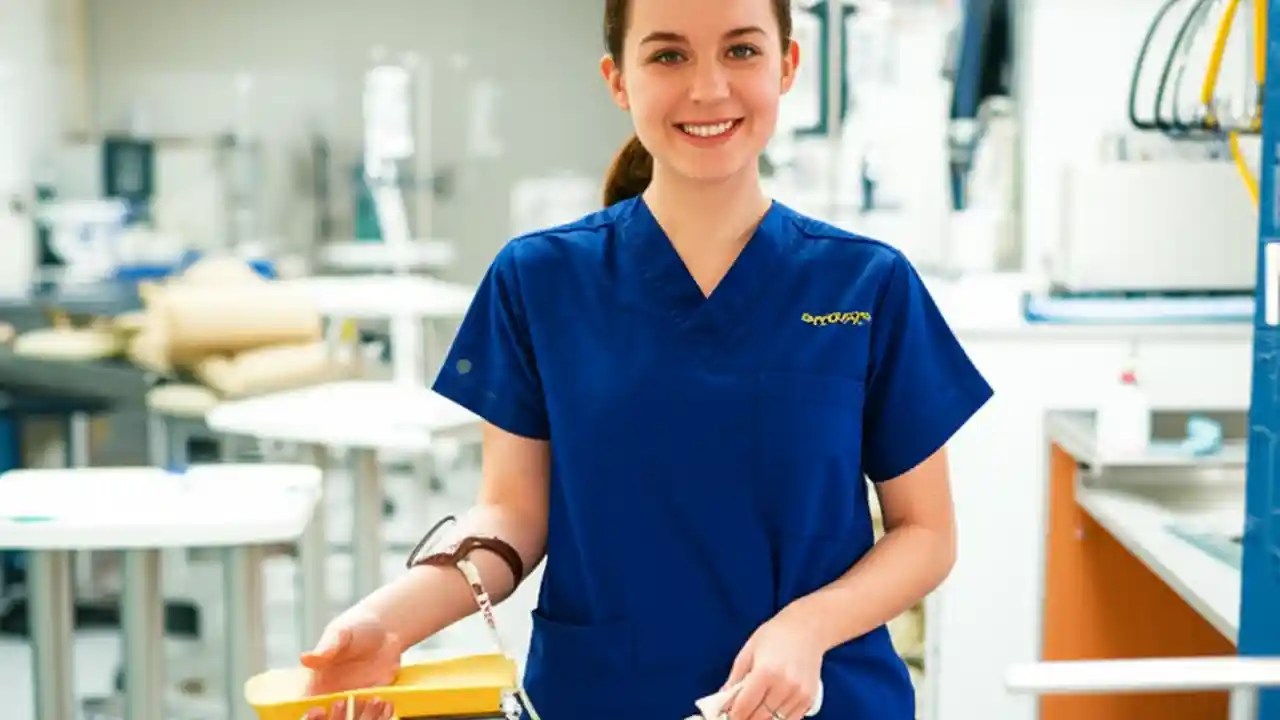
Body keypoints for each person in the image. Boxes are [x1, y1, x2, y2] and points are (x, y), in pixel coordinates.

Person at [297, 0, 994, 718]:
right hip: (607, 694)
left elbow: (926, 533)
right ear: (618, 80)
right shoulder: (539, 280)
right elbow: (513, 514)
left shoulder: (867, 283)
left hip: (822, 698)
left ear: (787, 66)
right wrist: (390, 621)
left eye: (741, 51)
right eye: (668, 55)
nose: (708, 88)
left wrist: (807, 627)